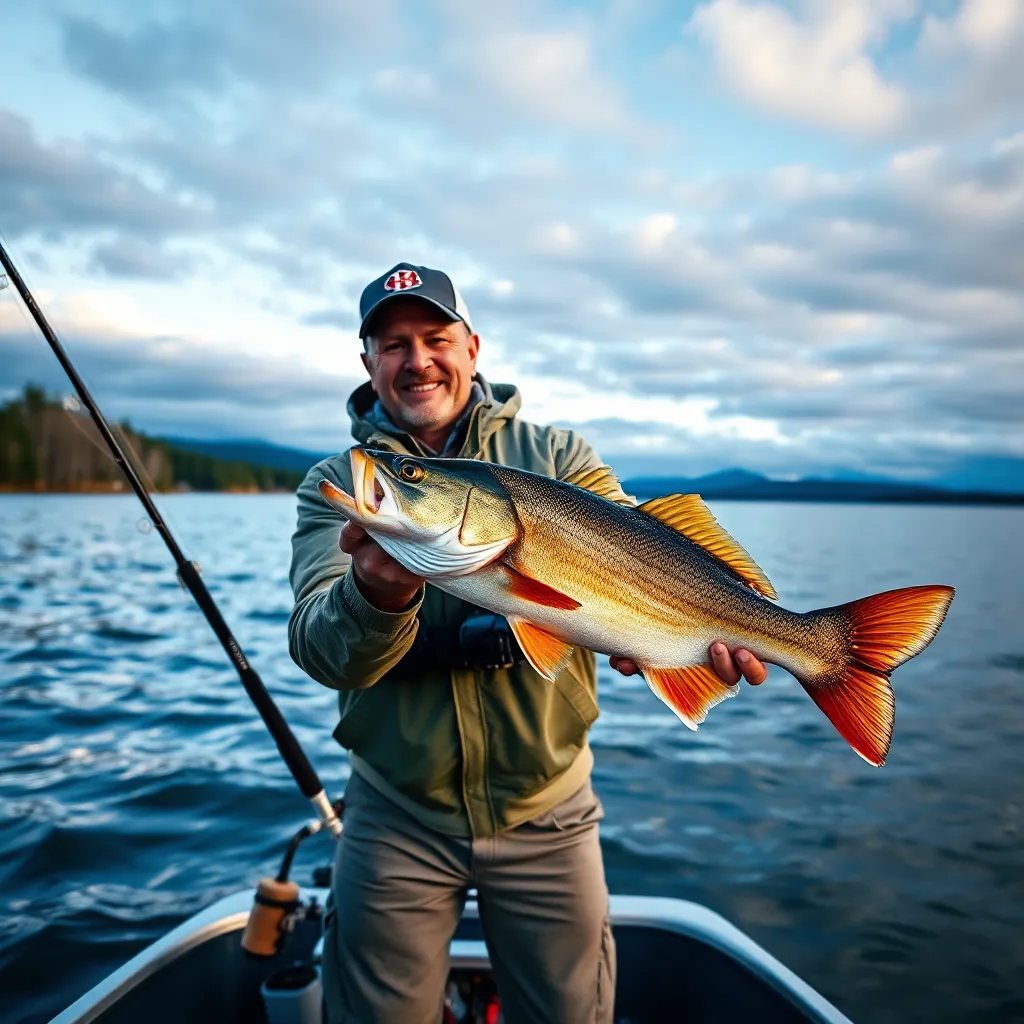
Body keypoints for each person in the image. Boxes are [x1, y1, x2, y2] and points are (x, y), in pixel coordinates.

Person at [288, 263, 767, 1024]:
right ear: (368, 363)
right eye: (393, 344)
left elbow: (641, 548)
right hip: (395, 807)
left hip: (550, 804)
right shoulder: (342, 481)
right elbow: (321, 651)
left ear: (473, 348)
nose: (416, 360)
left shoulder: (558, 455)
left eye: (435, 337)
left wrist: (691, 633)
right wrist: (374, 590)